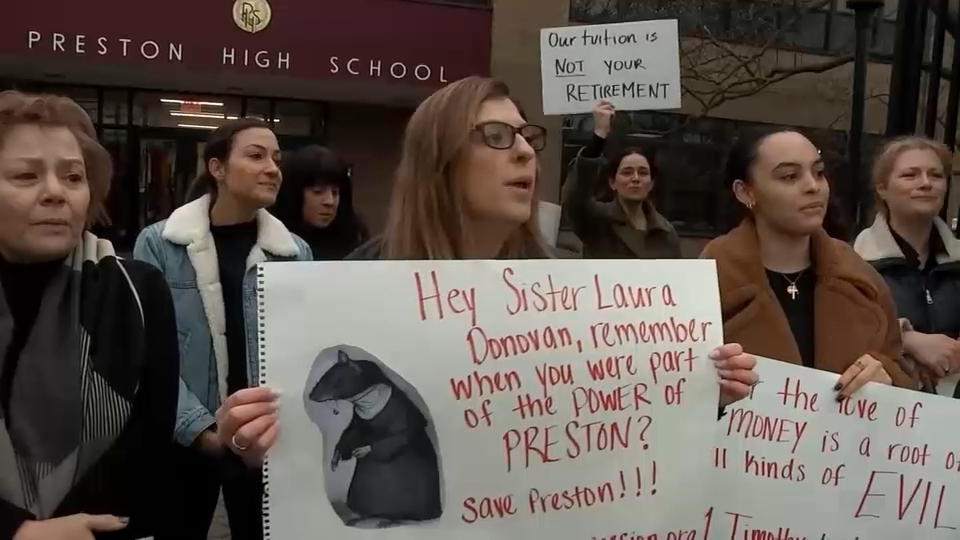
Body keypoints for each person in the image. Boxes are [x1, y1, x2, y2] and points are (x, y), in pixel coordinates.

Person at [348, 76, 756, 408]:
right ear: (438, 158)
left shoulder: (559, 294)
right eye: (496, 135)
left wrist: (701, 394)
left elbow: (608, 418)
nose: (526, 151)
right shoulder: (357, 285)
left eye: (526, 136)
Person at [0, 91, 179, 539]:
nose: (56, 193)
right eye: (25, 176)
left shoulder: (138, 292)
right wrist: (17, 530)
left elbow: (149, 451)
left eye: (73, 177)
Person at [134, 119, 312, 539]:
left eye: (276, 159)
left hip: (264, 442)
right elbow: (146, 351)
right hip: (186, 442)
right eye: (255, 155)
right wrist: (204, 433)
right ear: (217, 167)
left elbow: (304, 347)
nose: (272, 168)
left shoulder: (294, 252)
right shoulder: (161, 244)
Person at [702, 127, 916, 397]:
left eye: (819, 172)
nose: (813, 186)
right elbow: (672, 393)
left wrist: (886, 377)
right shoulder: (704, 282)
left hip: (845, 439)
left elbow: (901, 374)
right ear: (745, 192)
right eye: (790, 176)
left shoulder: (862, 278)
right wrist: (712, 393)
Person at [854, 136, 960, 395]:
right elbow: (841, 330)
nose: (925, 183)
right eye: (910, 175)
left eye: (936, 175)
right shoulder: (853, 261)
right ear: (882, 188)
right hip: (886, 414)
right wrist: (907, 341)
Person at [561, 100, 681, 259]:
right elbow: (574, 199)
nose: (636, 178)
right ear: (612, 182)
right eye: (627, 172)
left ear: (651, 183)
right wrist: (599, 136)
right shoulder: (596, 219)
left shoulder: (666, 232)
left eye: (643, 173)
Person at [271, 145, 369, 260]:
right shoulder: (270, 237)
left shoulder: (356, 238)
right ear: (294, 193)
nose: (330, 201)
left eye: (335, 192)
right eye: (318, 192)